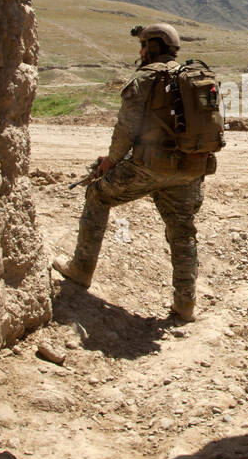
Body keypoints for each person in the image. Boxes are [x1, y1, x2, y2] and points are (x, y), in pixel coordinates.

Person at [52, 23, 216, 322]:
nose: (140, 52)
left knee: (97, 195)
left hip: (149, 166)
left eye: (142, 46)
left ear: (151, 47)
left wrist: (110, 162)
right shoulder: (192, 77)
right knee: (182, 229)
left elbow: (126, 129)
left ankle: (80, 271)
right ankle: (185, 305)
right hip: (190, 169)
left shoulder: (147, 78)